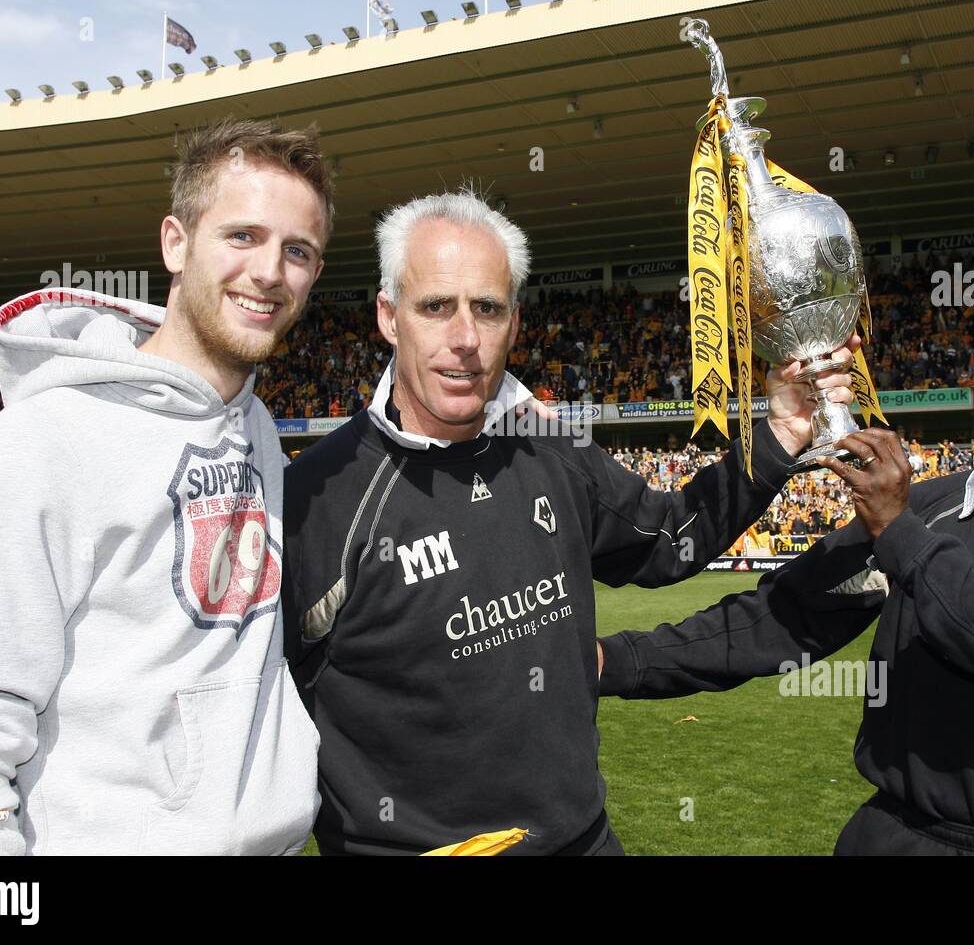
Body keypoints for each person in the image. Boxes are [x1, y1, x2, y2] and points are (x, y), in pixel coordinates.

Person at [282, 188, 856, 855]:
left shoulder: (551, 446)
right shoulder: (317, 497)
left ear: (516, 322)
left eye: (487, 309)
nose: (464, 339)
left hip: (584, 842)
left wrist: (779, 434)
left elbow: (670, 541)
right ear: (389, 316)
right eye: (435, 306)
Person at [0, 118, 332, 854]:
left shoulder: (256, 427)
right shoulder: (41, 442)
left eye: (297, 251)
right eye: (241, 236)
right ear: (175, 242)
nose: (268, 271)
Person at [598, 316, 974, 855]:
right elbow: (782, 618)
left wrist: (898, 533)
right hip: (905, 837)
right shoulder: (925, 509)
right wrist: (614, 662)